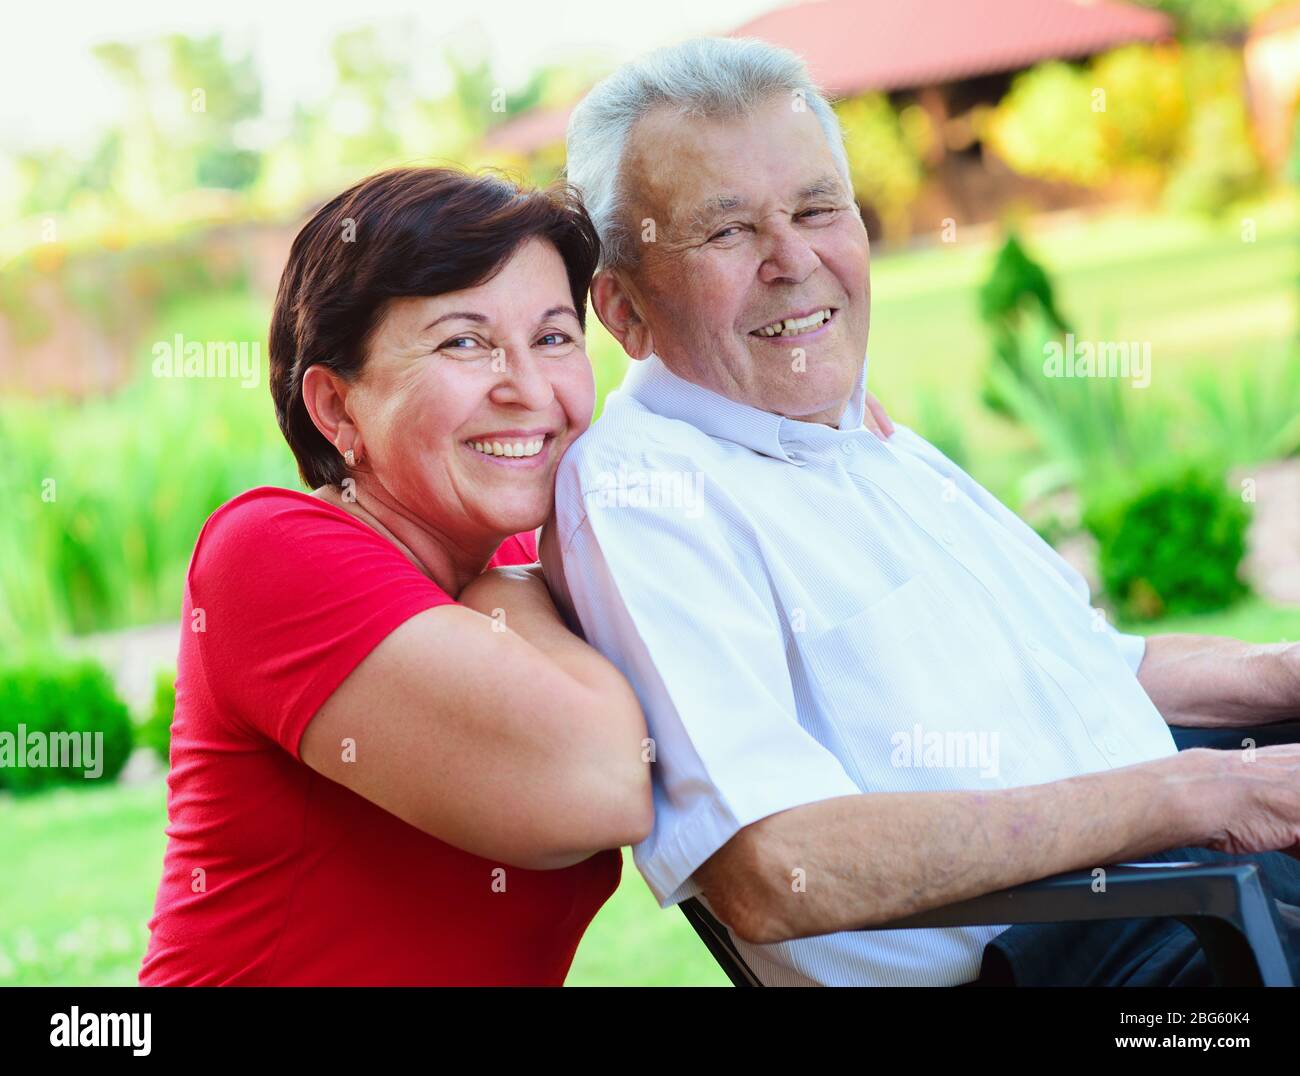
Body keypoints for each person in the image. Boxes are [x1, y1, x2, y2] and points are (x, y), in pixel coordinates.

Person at [545, 36, 1300, 986]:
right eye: (727, 232)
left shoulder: (862, 439)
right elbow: (777, 866)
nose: (793, 260)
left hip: (1199, 899)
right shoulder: (645, 495)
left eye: (819, 209)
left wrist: (1282, 674)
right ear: (623, 311)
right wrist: (1204, 791)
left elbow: (1094, 671)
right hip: (1096, 962)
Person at [139, 167, 654, 985]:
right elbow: (598, 784)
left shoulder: (529, 561)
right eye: (463, 341)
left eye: (554, 337)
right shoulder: (270, 552)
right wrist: (506, 596)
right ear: (338, 409)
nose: (528, 389)